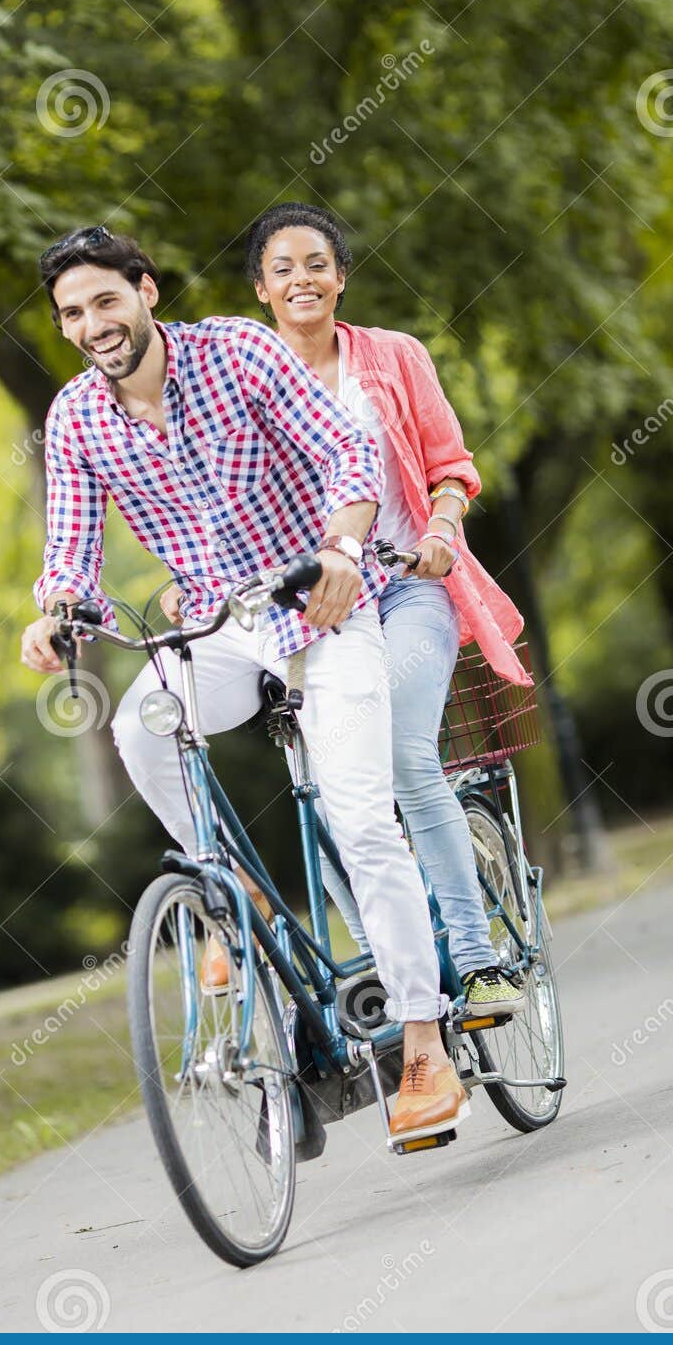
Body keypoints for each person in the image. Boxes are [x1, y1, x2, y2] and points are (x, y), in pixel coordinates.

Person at [20, 224, 469, 1141]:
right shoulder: (75, 417)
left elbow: (348, 455)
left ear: (146, 291)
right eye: (72, 312)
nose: (92, 323)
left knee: (358, 816)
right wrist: (55, 609)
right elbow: (69, 548)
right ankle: (232, 896)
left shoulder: (236, 350)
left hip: (319, 604)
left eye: (106, 299)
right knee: (141, 722)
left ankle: (423, 1046)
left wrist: (342, 549)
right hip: (218, 625)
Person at [231, 201, 532, 1016]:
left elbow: (450, 463)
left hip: (405, 588)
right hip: (319, 611)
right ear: (259, 288)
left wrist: (438, 527)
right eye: (282, 268)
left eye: (316, 264)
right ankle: (394, 969)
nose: (302, 279)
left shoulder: (392, 356)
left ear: (341, 276)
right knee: (322, 787)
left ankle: (478, 964)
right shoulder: (243, 383)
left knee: (403, 756)